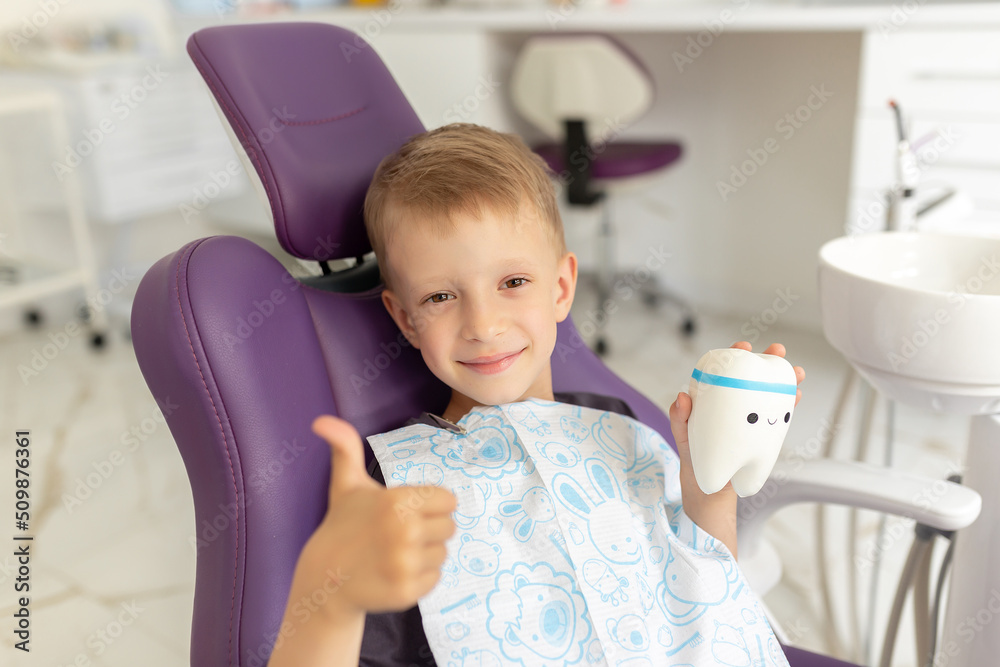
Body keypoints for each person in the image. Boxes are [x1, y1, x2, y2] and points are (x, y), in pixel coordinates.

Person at [267, 123, 804, 667]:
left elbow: (711, 602)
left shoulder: (616, 426)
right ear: (406, 320)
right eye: (441, 296)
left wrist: (712, 481)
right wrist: (332, 598)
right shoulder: (394, 484)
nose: (483, 325)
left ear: (562, 288)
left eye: (513, 282)